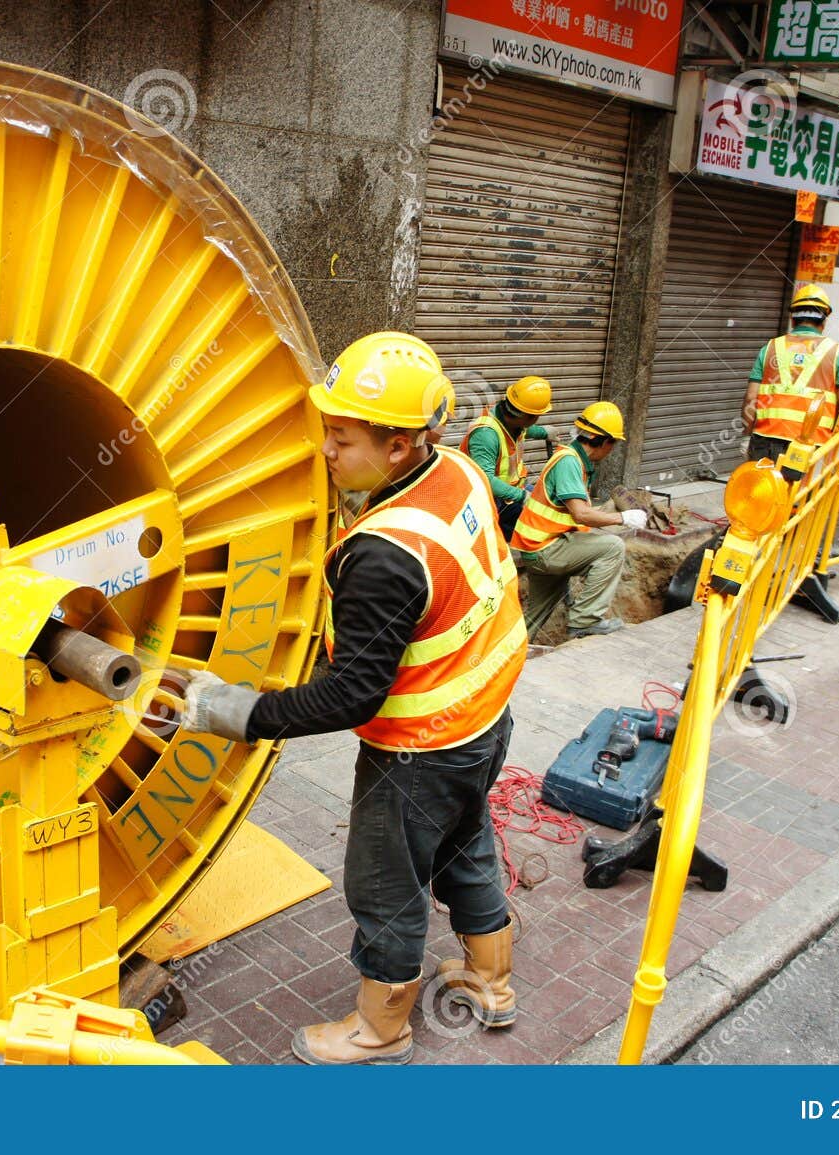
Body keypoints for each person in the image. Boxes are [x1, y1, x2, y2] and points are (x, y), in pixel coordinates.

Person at [180, 332, 528, 1065]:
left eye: (340, 438)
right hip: (485, 720)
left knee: (385, 882)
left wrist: (242, 712)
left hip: (421, 748)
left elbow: (351, 698)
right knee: (467, 839)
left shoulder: (384, 554)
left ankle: (380, 1028)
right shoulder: (460, 468)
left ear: (399, 446)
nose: (325, 450)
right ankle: (491, 980)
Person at [508, 401, 646, 640]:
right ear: (603, 441)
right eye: (613, 443)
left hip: (536, 547)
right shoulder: (570, 462)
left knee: (535, 615)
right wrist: (622, 517)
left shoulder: (571, 459)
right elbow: (581, 514)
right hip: (545, 549)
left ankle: (511, 653)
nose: (612, 450)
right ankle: (584, 621)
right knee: (613, 547)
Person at [743, 284, 839, 463]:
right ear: (824, 321)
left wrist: (746, 436)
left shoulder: (770, 348)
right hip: (812, 446)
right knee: (803, 492)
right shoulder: (837, 353)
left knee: (763, 489)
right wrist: (837, 443)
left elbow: (750, 397)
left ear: (793, 320)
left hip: (765, 440)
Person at [460, 376, 553, 538]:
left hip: (510, 492)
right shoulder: (486, 434)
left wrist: (544, 433)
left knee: (549, 500)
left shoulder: (510, 418)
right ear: (530, 417)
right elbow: (485, 479)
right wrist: (522, 496)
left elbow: (525, 430)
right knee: (543, 523)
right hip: (488, 502)